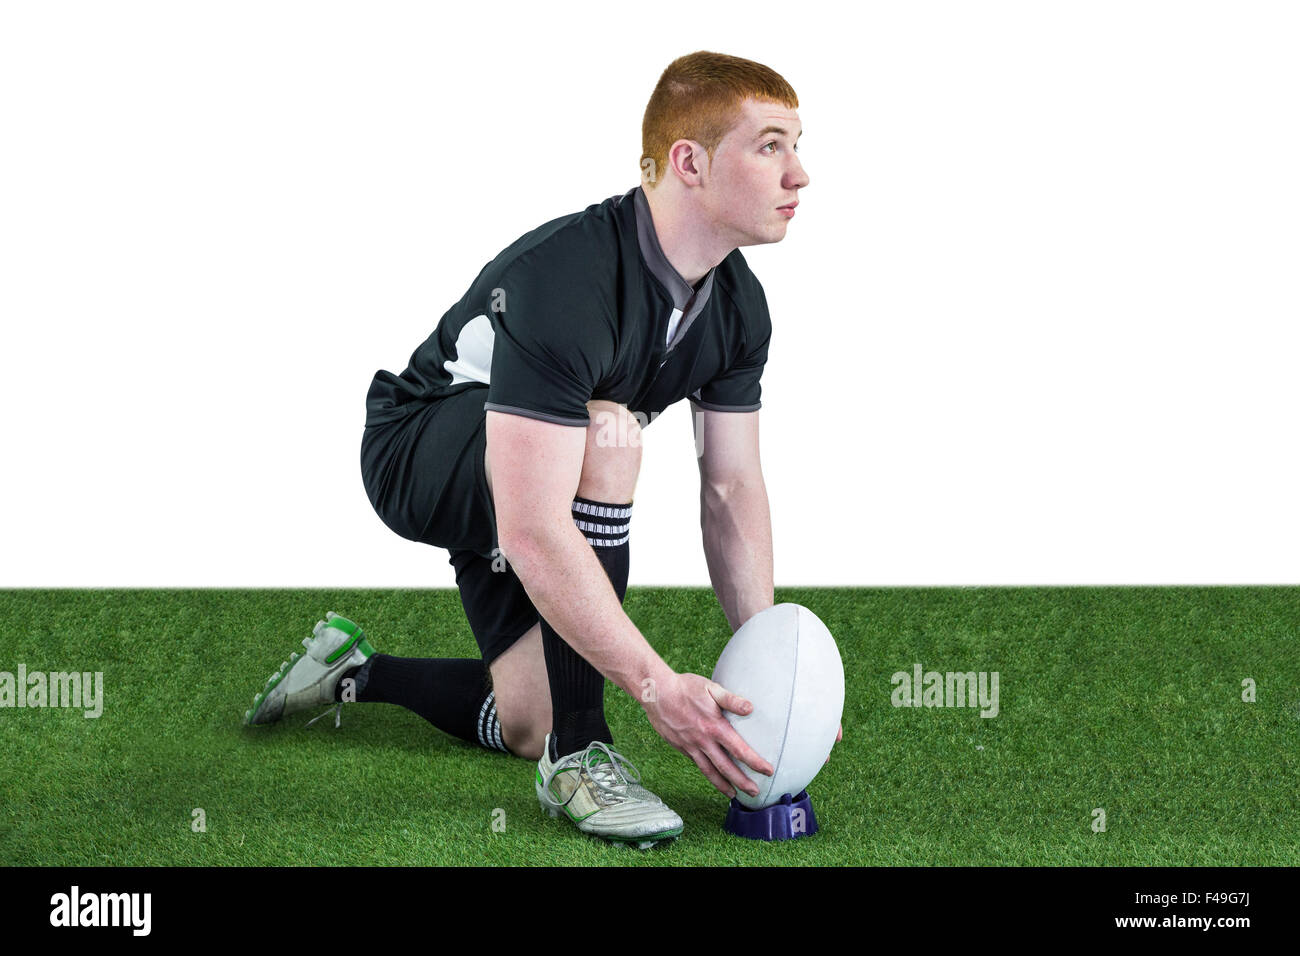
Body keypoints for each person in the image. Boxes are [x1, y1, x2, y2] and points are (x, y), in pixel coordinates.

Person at [244, 50, 817, 848]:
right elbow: (534, 529)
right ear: (689, 160)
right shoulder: (568, 279)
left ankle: (354, 671)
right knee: (610, 433)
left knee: (526, 718)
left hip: (532, 466)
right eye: (771, 145)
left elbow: (730, 488)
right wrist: (655, 686)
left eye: (797, 145)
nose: (800, 175)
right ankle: (582, 755)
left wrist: (772, 668)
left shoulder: (738, 307)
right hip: (419, 449)